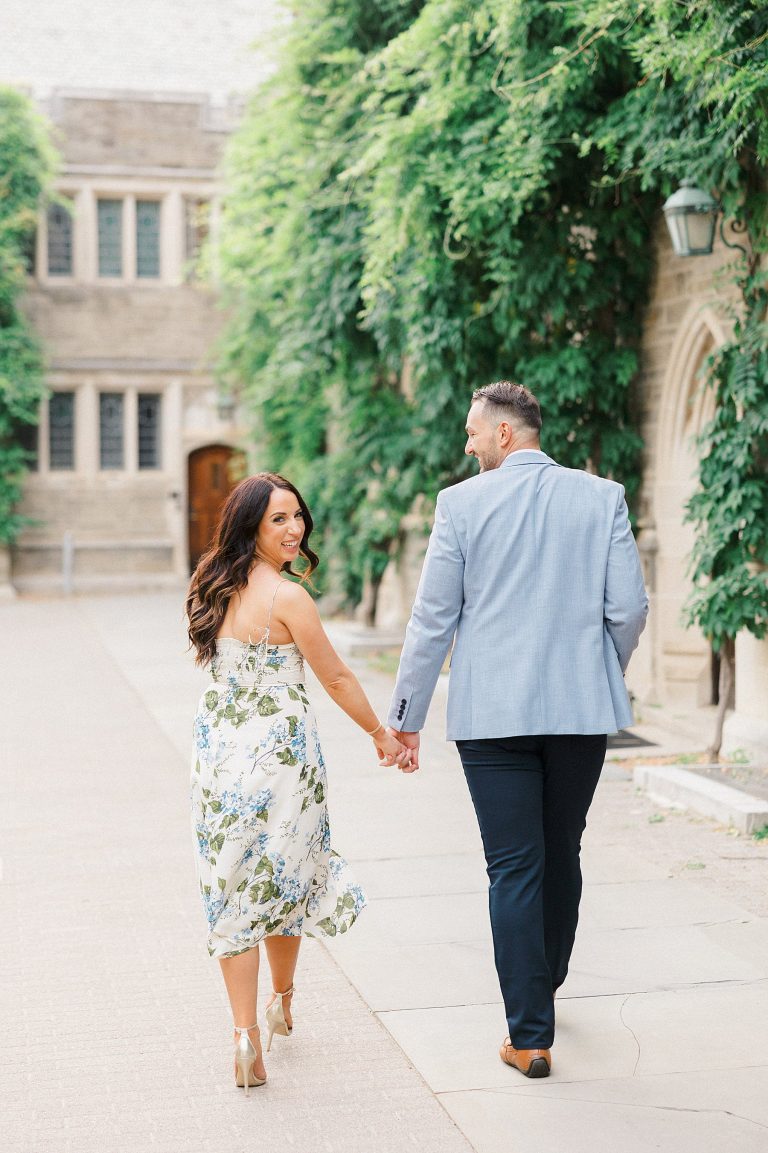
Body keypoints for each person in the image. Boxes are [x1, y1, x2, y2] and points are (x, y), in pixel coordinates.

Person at [387, 380, 648, 1079]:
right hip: (579, 713)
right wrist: (597, 671)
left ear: (505, 433)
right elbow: (628, 608)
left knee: (512, 863)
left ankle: (530, 1034)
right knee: (562, 847)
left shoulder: (461, 506)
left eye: (473, 431)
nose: (466, 443)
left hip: (493, 718)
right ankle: (547, 983)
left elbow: (433, 619)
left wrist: (405, 718)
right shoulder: (603, 498)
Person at [186, 472, 411, 1092]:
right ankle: (280, 1002)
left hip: (221, 755)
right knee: (285, 874)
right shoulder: (288, 599)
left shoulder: (209, 585)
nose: (294, 529)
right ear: (251, 527)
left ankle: (244, 1035)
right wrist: (380, 734)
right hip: (283, 760)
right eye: (278, 520)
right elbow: (336, 678)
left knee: (233, 883)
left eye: (297, 517)